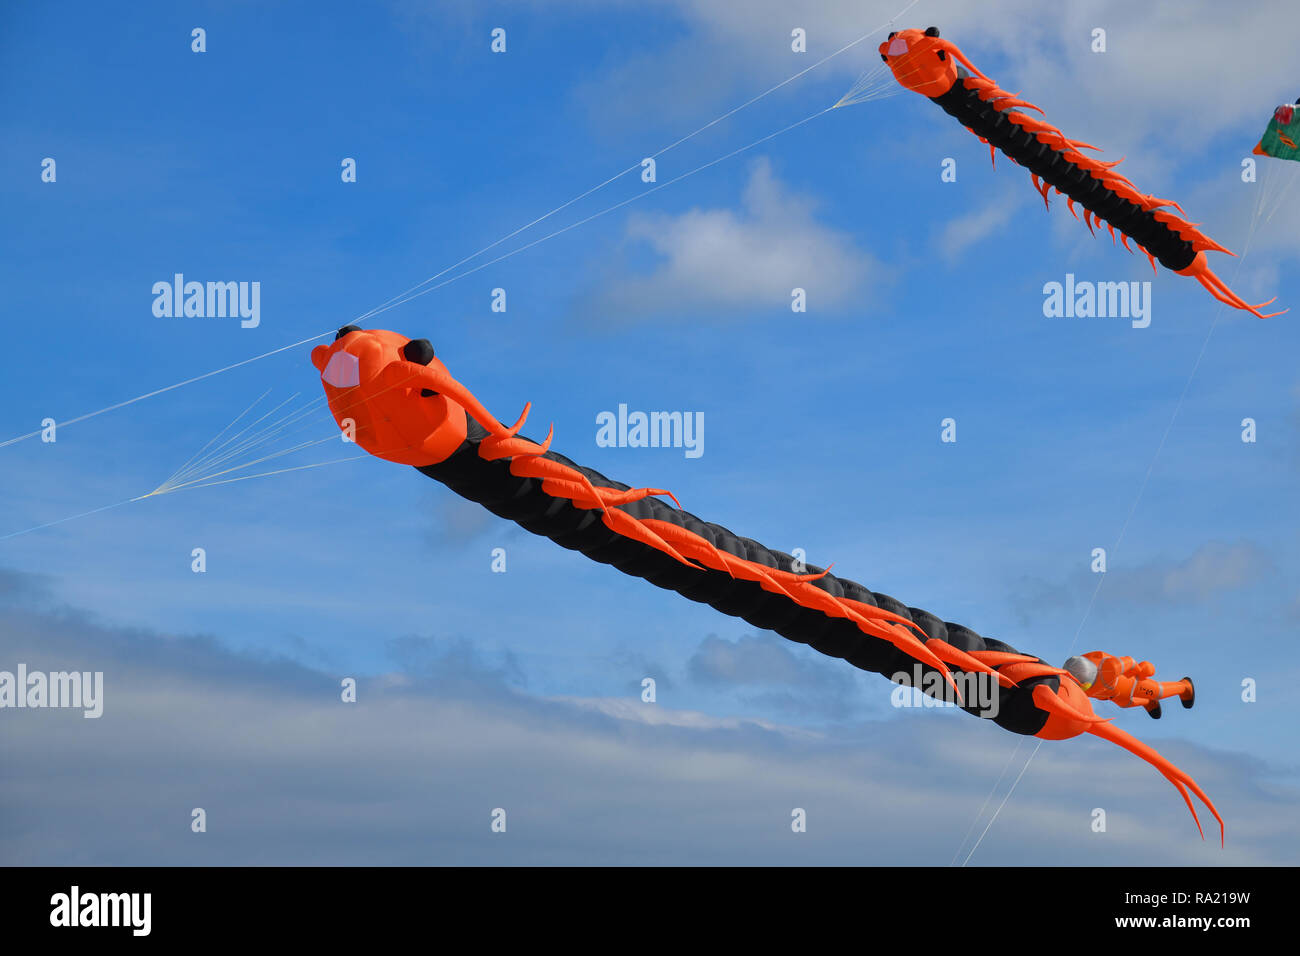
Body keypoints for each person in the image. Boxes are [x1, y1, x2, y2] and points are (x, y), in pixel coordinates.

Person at [1062, 652, 1194, 719]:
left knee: (1158, 692)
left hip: (1133, 683)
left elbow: (1129, 662)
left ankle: (1184, 686)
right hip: (1114, 695)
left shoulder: (1109, 668)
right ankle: (1148, 702)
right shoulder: (1075, 684)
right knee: (1126, 704)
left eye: (1085, 685)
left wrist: (1141, 670)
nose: (1084, 688)